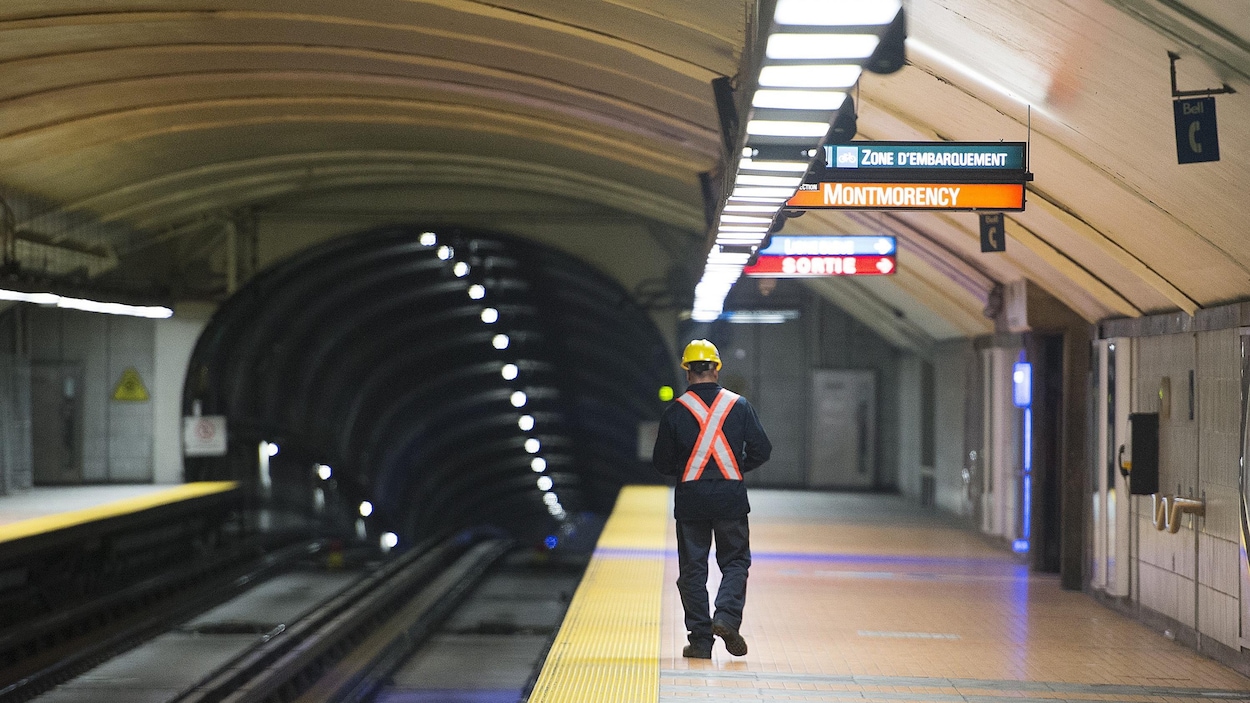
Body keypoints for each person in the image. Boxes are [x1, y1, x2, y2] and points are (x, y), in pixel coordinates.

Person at [652, 339, 772, 659]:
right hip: (730, 497)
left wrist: (688, 468)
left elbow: (662, 463)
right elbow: (763, 450)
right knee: (735, 561)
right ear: (717, 368)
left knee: (693, 569)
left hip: (691, 499)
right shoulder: (740, 406)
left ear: (687, 372)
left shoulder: (675, 411)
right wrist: (733, 467)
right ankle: (727, 618)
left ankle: (701, 642)